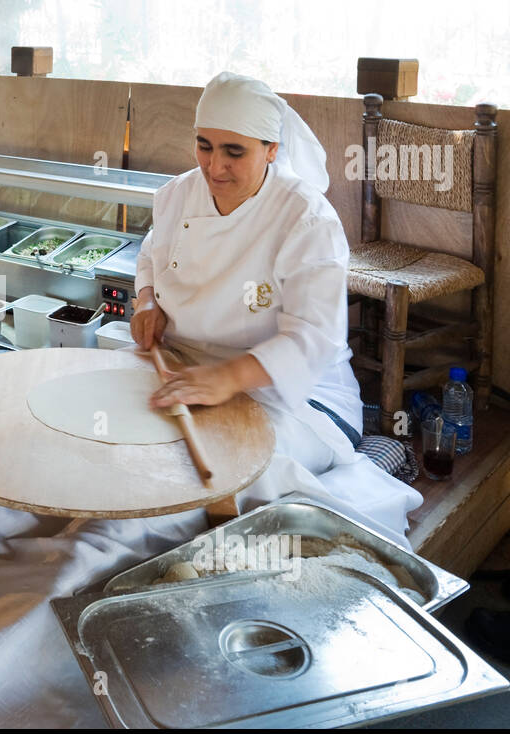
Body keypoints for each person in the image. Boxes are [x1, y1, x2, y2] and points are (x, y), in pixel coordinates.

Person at [130, 71, 421, 545]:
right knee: (122, 451)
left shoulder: (306, 219)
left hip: (300, 400)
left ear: (271, 149)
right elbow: (150, 253)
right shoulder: (180, 194)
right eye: (204, 146)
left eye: (234, 151)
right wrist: (147, 302)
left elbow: (312, 339)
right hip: (187, 370)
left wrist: (226, 378)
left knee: (208, 481)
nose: (214, 166)